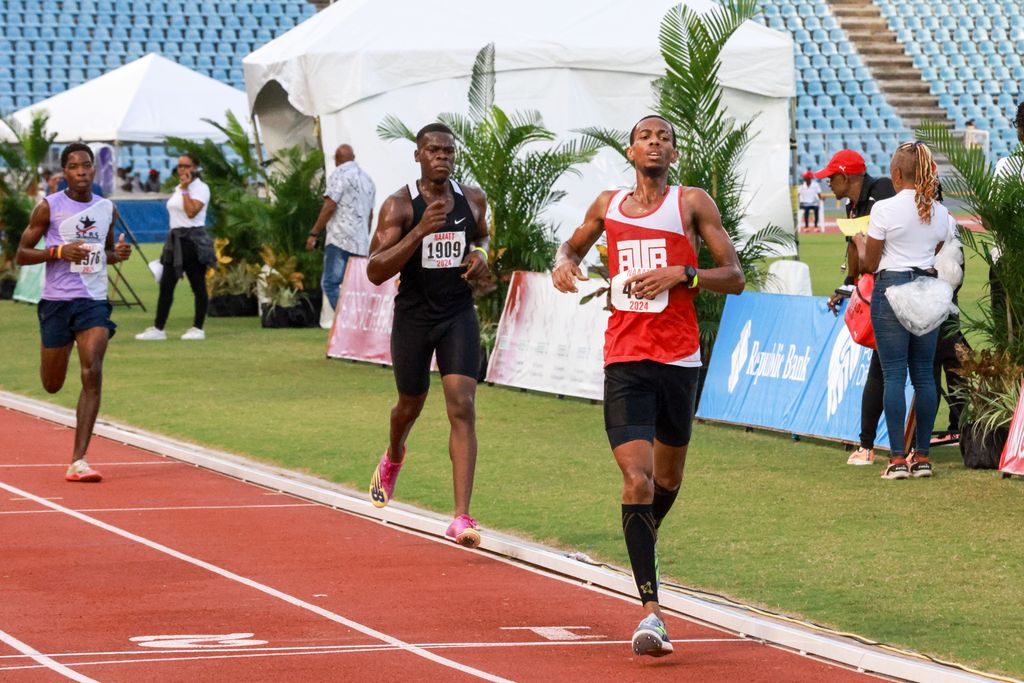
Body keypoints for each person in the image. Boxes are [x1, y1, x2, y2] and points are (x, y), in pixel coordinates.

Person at [552, 115, 744, 658]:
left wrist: (683, 276)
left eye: (664, 138)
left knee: (665, 481)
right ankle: (652, 615)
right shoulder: (607, 205)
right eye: (645, 137)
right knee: (636, 481)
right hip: (625, 358)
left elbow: (734, 275)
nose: (655, 144)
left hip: (679, 361)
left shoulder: (691, 204)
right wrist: (564, 265)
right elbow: (570, 249)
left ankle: (641, 540)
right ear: (631, 150)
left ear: (674, 155)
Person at [365, 123, 490, 547]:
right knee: (409, 403)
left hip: (457, 313)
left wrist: (480, 255)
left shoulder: (472, 199)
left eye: (449, 151)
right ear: (418, 155)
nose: (442, 156)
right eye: (433, 150)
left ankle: (461, 517)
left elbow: (483, 236)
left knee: (463, 405)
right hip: (414, 317)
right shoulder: (399, 206)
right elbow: (375, 269)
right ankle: (395, 453)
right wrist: (419, 233)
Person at [15, 142, 132, 483]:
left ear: (94, 170)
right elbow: (22, 254)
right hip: (56, 302)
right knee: (52, 384)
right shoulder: (48, 208)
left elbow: (106, 252)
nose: (81, 171)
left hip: (92, 301)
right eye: (74, 166)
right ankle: (54, 361)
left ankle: (78, 460)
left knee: (92, 369)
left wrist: (118, 253)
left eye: (86, 165)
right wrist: (59, 251)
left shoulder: (106, 208)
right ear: (64, 172)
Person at [853, 141, 953, 480]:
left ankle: (897, 459)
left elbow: (869, 263)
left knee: (894, 375)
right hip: (927, 291)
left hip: (892, 289)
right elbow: (938, 247)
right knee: (924, 374)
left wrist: (859, 241)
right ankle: (921, 456)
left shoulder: (884, 209)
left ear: (896, 174)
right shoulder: (941, 213)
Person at [818, 149, 896, 466]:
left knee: (907, 371)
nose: (828, 184)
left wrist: (860, 253)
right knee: (899, 371)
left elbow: (869, 254)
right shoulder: (855, 204)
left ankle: (879, 448)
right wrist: (847, 285)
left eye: (831, 178)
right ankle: (882, 447)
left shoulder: (883, 192)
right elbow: (855, 253)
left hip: (901, 291)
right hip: (889, 292)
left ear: (846, 176)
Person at [135, 153, 214, 341]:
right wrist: (183, 189)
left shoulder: (200, 188)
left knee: (197, 285)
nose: (182, 170)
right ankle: (158, 328)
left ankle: (198, 327)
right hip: (175, 240)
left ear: (195, 168)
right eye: (180, 166)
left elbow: (191, 212)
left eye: (187, 166)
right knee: (166, 285)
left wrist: (186, 190)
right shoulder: (179, 188)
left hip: (193, 240)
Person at [305, 143, 376, 312]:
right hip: (361, 243)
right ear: (353, 157)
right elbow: (370, 214)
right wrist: (364, 235)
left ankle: (347, 319)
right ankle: (357, 319)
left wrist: (314, 232)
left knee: (331, 283)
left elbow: (330, 205)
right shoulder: (368, 179)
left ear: (337, 160)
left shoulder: (339, 174)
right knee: (356, 288)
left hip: (339, 240)